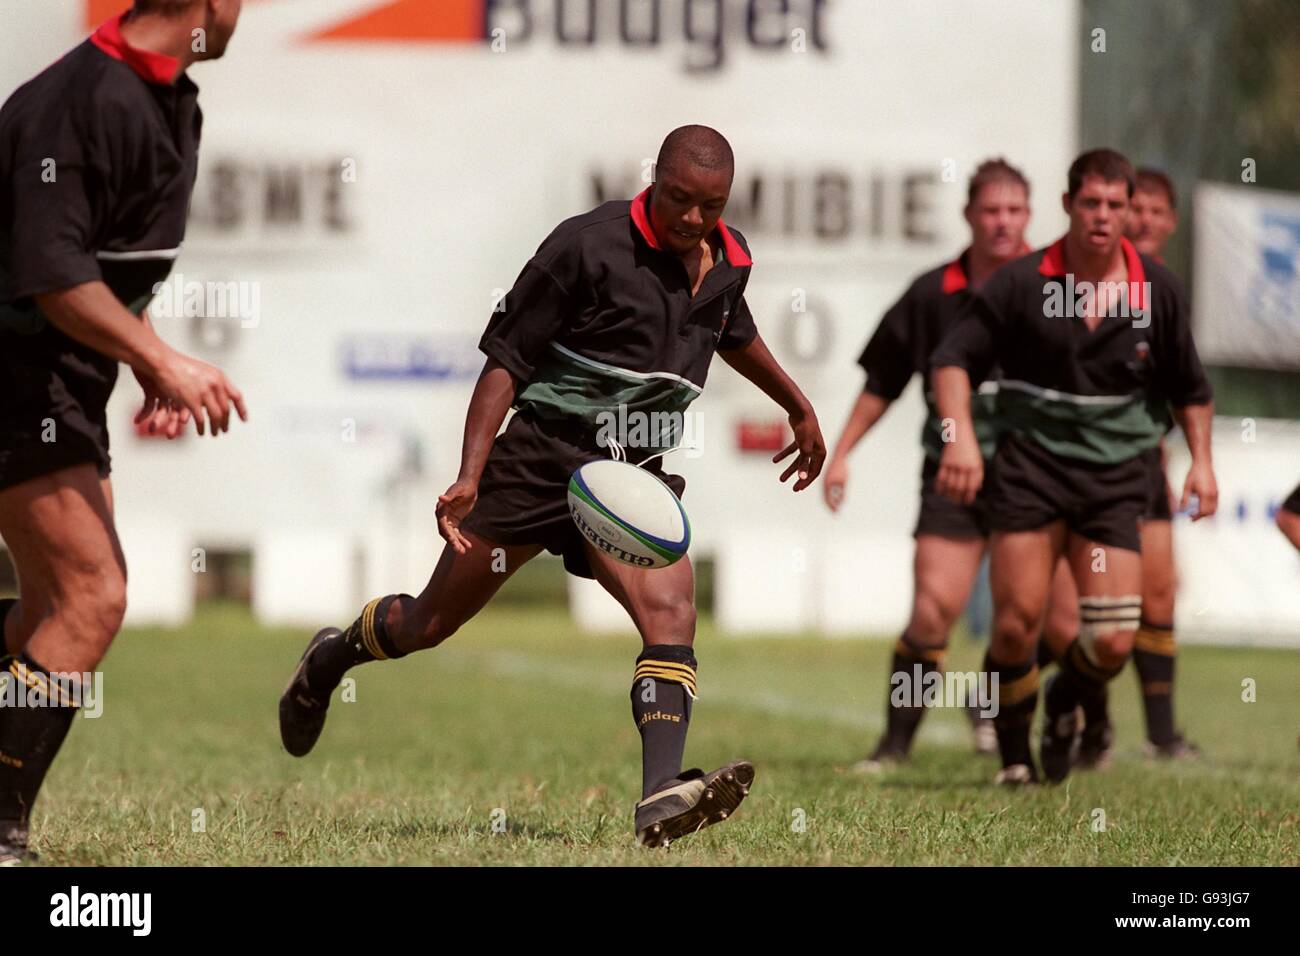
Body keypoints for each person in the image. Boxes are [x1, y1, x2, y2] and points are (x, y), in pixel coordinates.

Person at [279, 126, 826, 847]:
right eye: (679, 199)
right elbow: (506, 360)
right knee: (428, 625)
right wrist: (472, 473)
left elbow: (732, 329)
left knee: (671, 614)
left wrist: (796, 402)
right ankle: (330, 657)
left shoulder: (728, 260)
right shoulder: (586, 244)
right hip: (539, 461)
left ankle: (661, 792)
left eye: (711, 204)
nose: (693, 218)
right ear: (653, 180)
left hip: (627, 474)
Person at [0, 0, 248, 865]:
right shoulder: (75, 103)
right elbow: (51, 274)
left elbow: (113, 266)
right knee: (90, 599)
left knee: (46, 611)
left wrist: (141, 357)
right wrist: (164, 359)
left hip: (61, 380)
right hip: (16, 375)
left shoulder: (174, 96)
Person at [930, 149, 1217, 785]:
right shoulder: (1021, 282)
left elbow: (1191, 389)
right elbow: (951, 364)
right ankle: (1014, 761)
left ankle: (1065, 697)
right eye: (1092, 203)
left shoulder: (1158, 290)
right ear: (1067, 205)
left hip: (1114, 482)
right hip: (1031, 475)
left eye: (1117, 205)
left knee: (1113, 638)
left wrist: (1202, 462)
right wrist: (960, 440)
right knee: (1014, 627)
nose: (1104, 217)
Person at [822, 159, 1031, 770]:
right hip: (953, 474)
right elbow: (883, 380)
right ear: (969, 215)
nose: (1002, 222)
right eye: (991, 210)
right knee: (933, 610)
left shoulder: (1055, 289)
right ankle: (893, 747)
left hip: (1037, 477)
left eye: (1014, 210)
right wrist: (842, 454)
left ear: (1031, 216)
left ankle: (994, 711)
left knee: (1033, 618)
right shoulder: (932, 293)